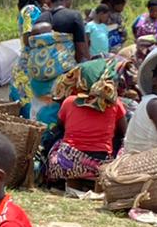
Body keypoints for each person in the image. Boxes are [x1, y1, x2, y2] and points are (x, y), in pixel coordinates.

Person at [45, 59, 126, 188]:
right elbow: (123, 131)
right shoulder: (114, 104)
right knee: (122, 141)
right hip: (99, 167)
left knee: (56, 137)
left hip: (67, 165)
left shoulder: (69, 101)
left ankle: (55, 180)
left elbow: (60, 126)